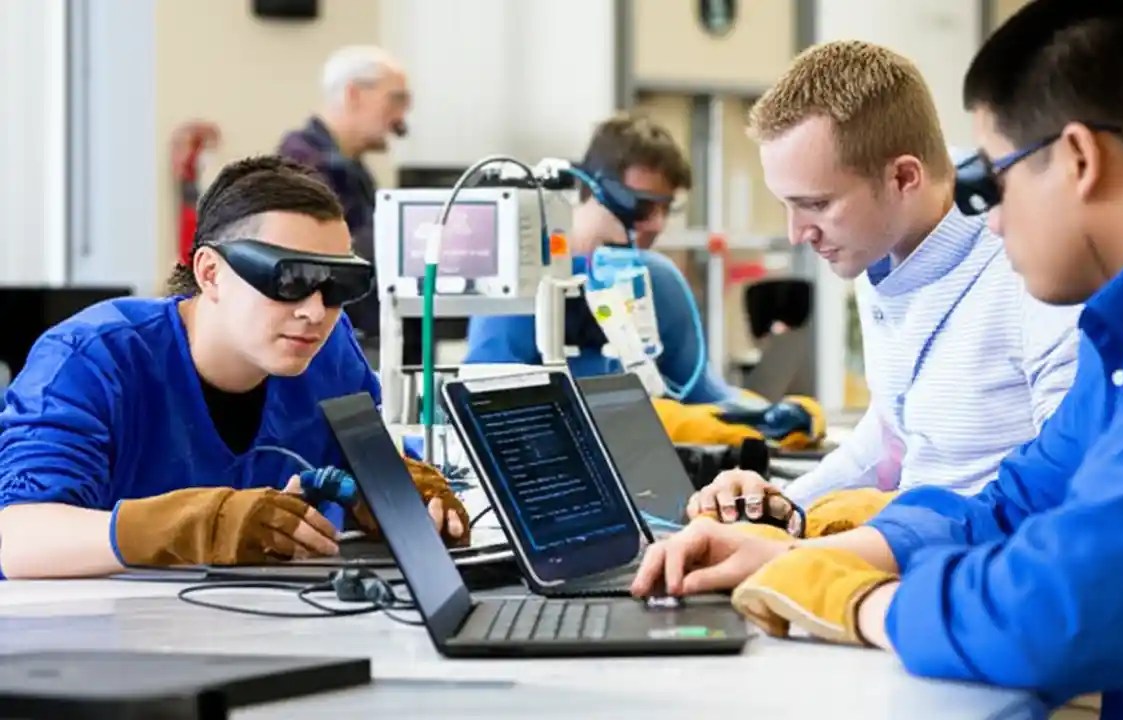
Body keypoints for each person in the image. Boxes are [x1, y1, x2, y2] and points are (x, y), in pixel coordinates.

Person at [632, 0, 1123, 716]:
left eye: (992, 180)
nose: (989, 216)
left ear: (1078, 159)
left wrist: (864, 604)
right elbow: (1015, 501)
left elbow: (1069, 609)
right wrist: (802, 558)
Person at [0, 156, 466, 580]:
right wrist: (190, 526)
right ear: (210, 273)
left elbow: (358, 463)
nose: (314, 312)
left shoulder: (328, 352)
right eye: (291, 279)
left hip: (256, 626)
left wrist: (396, 490)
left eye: (338, 286)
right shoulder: (92, 358)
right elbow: (17, 539)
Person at [685, 39, 1079, 533]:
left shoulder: (1033, 267)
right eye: (788, 205)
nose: (797, 233)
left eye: (817, 204)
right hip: (916, 550)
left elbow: (1071, 490)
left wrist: (872, 540)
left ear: (903, 178)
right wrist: (782, 506)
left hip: (977, 567)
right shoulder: (882, 245)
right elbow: (894, 436)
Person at [465, 112, 745, 405]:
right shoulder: (524, 280)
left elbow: (702, 394)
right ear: (597, 189)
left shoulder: (659, 281)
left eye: (666, 208)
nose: (657, 225)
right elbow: (486, 401)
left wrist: (774, 417)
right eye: (643, 206)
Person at [278, 45, 411, 356]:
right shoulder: (304, 164)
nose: (402, 116)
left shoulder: (350, 168)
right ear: (354, 94)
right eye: (396, 99)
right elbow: (332, 256)